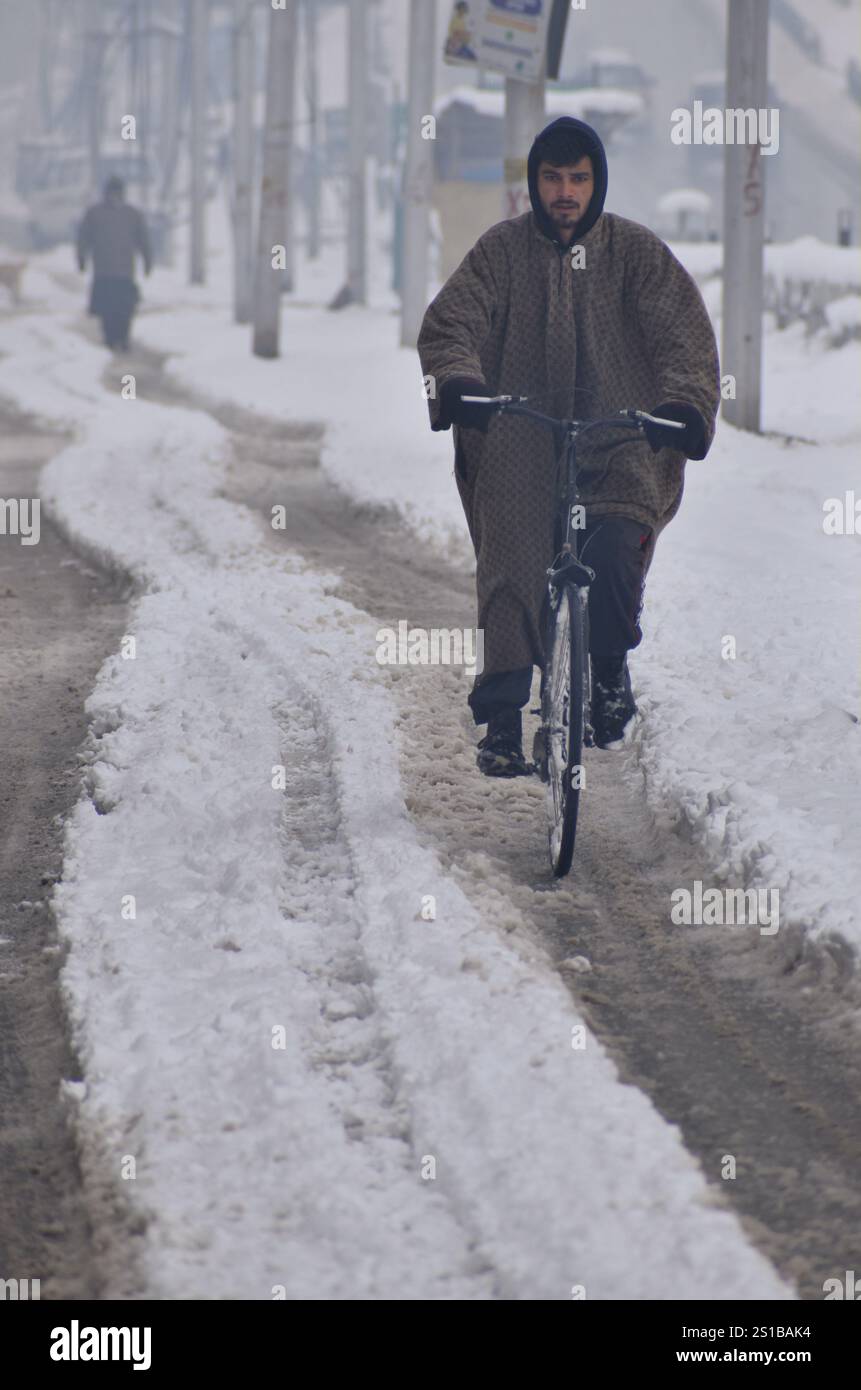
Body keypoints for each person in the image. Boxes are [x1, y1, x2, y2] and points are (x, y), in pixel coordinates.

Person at [418, 116, 720, 777]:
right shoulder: (501, 253)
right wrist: (459, 383)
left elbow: (682, 338)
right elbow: (451, 323)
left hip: (618, 439)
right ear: (534, 182)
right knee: (513, 562)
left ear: (596, 183)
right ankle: (501, 720)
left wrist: (682, 407)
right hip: (520, 439)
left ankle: (607, 671)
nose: (564, 192)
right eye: (552, 178)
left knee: (614, 549)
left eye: (577, 179)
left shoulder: (635, 255)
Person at [76, 176, 152, 351]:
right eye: (112, 193)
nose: (114, 196)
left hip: (125, 273)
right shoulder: (94, 213)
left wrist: (147, 261)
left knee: (125, 310)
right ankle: (110, 338)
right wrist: (81, 258)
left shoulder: (132, 215)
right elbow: (84, 238)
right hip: (104, 272)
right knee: (107, 310)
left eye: (118, 193)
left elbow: (143, 240)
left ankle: (123, 338)